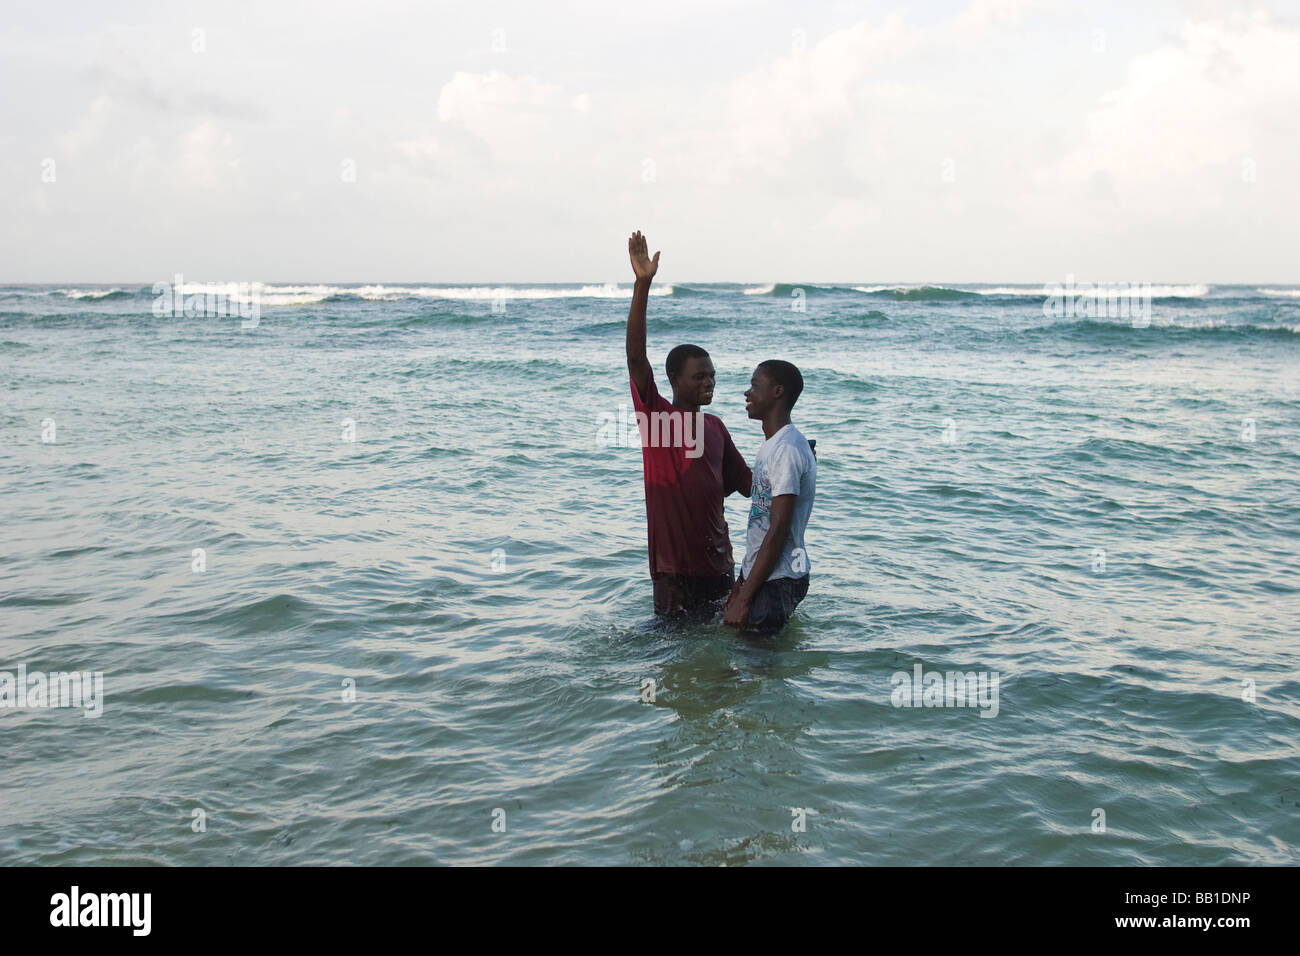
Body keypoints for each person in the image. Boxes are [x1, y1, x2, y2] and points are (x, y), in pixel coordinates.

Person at [624, 230, 752, 618]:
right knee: (675, 664)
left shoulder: (715, 427)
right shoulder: (656, 417)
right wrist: (642, 286)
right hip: (674, 576)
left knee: (719, 666)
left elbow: (749, 487)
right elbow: (635, 358)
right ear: (675, 380)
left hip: (720, 569)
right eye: (699, 377)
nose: (708, 382)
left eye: (712, 376)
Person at [723, 360, 816, 633]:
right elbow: (761, 523)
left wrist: (746, 597)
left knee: (756, 665)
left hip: (779, 579)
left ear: (777, 392)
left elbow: (778, 529)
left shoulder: (786, 449)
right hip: (768, 576)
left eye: (754, 386)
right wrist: (742, 581)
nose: (747, 393)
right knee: (750, 660)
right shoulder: (771, 446)